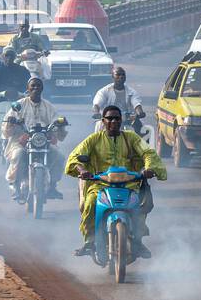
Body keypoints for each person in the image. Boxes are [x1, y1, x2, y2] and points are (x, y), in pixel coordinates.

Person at [64, 104, 167, 258]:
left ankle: (137, 241)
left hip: (129, 184)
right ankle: (89, 241)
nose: (113, 122)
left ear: (121, 121)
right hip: (100, 184)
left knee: (140, 203)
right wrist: (82, 170)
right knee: (91, 202)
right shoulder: (93, 139)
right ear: (103, 121)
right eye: (110, 119)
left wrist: (149, 168)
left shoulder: (131, 138)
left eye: (117, 119)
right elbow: (75, 157)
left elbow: (148, 152)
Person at [3, 77, 68, 201]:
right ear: (27, 89)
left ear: (42, 88)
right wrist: (11, 122)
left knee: (59, 156)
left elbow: (57, 124)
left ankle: (53, 185)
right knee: (18, 154)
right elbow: (6, 130)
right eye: (32, 86)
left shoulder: (49, 106)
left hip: (43, 142)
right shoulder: (19, 105)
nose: (35, 88)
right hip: (20, 142)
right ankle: (15, 185)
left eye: (38, 86)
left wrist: (61, 124)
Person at [0, 46, 32, 128]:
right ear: (2, 56)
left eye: (11, 56)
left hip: (18, 98)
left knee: (33, 108)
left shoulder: (23, 70)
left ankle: (31, 126)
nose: (9, 58)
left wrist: (28, 93)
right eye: (7, 55)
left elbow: (29, 85)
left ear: (14, 57)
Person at [92, 66, 145, 131]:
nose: (121, 77)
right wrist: (96, 113)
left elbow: (137, 104)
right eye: (118, 75)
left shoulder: (132, 92)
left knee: (141, 127)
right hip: (108, 121)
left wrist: (140, 112)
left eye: (123, 75)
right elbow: (96, 104)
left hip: (127, 121)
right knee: (99, 124)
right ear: (112, 77)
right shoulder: (104, 91)